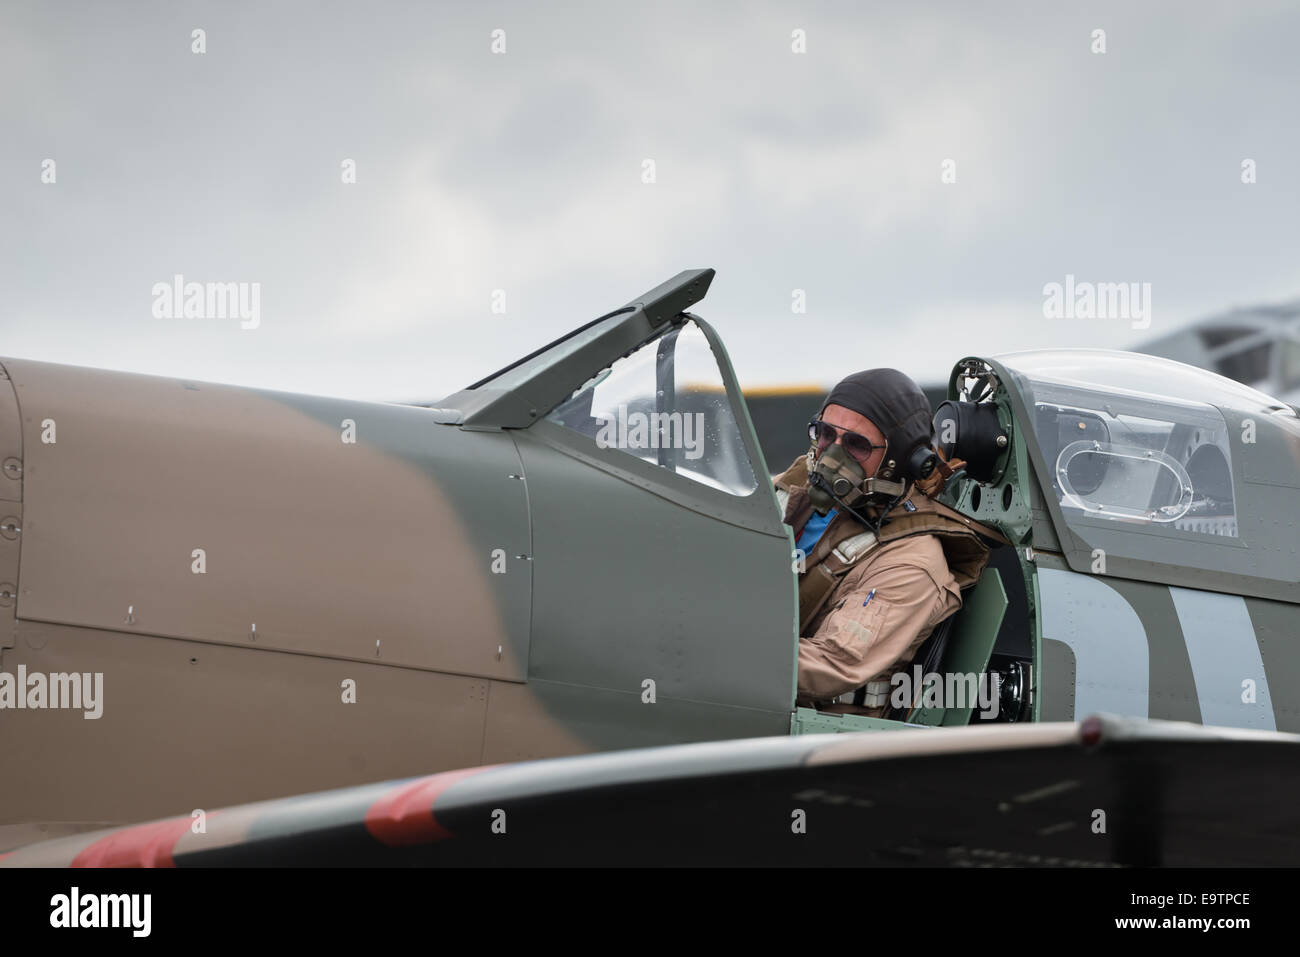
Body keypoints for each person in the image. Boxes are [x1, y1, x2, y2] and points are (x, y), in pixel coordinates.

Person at [775, 369, 997, 716]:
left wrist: (716, 653)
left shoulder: (912, 563)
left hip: (821, 739)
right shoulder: (789, 494)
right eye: (825, 433)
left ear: (901, 461)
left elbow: (833, 662)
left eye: (856, 445)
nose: (833, 455)